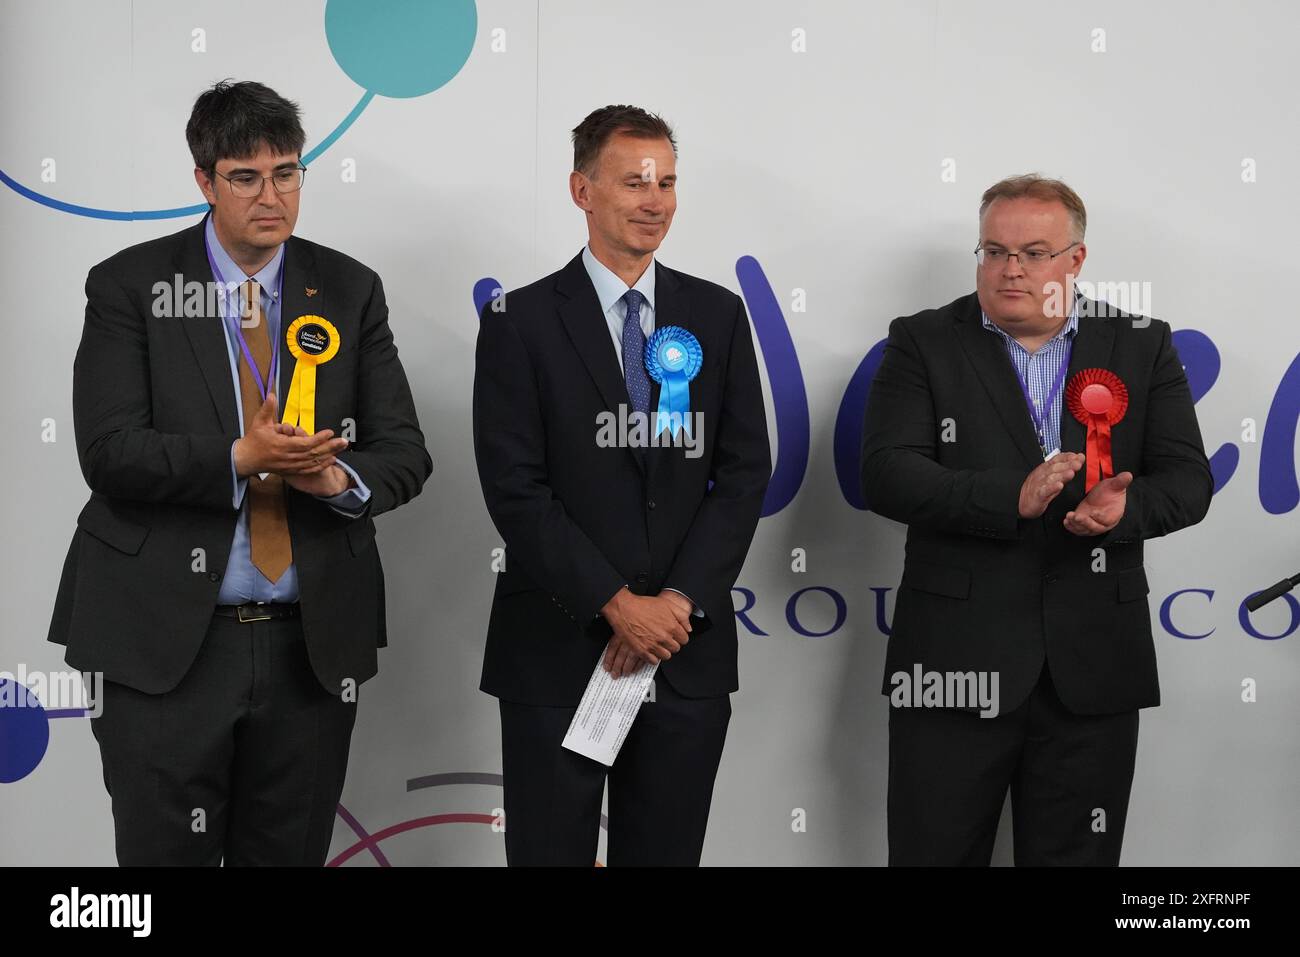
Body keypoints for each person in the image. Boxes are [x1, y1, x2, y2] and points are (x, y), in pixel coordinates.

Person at [47, 80, 432, 865]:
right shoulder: (131, 285)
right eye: (246, 177)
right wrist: (239, 458)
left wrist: (338, 482)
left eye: (287, 173)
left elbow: (403, 453)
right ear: (204, 181)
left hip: (309, 651)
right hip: (165, 651)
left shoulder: (350, 289)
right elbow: (110, 451)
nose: (272, 195)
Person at [861, 174, 1212, 865]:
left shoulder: (1141, 344)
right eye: (992, 250)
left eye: (1031, 252)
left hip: (1094, 667)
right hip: (952, 667)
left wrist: (1123, 511)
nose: (1009, 269)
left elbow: (1189, 480)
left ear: (1075, 260)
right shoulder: (923, 341)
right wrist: (1008, 497)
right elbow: (888, 473)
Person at [472, 104, 771, 866]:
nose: (655, 199)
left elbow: (743, 475)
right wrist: (615, 601)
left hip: (683, 650)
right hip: (557, 650)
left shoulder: (719, 315)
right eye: (635, 181)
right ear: (582, 189)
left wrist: (673, 605)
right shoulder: (520, 320)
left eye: (667, 181)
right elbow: (516, 489)